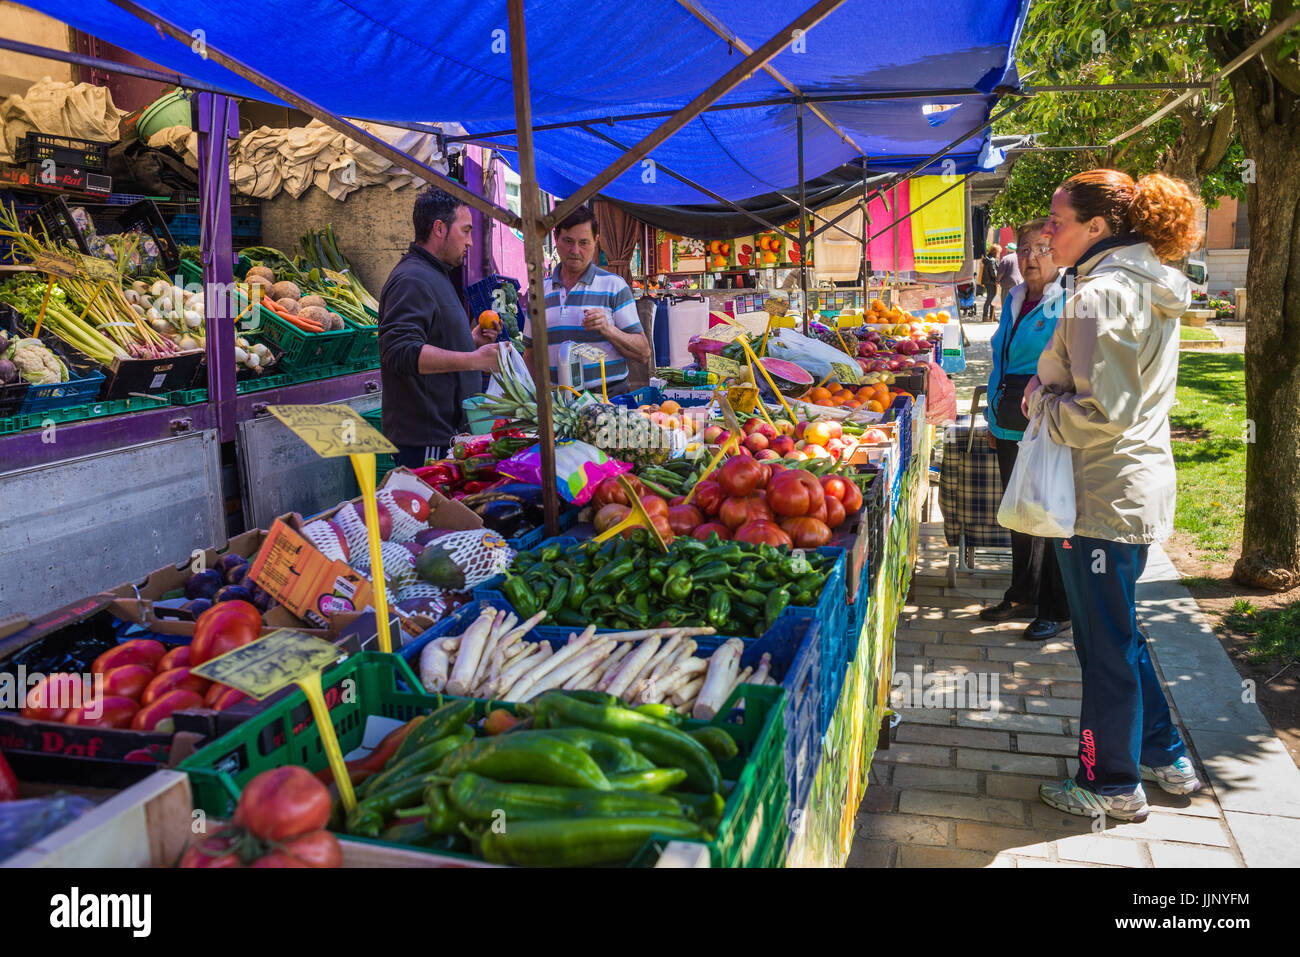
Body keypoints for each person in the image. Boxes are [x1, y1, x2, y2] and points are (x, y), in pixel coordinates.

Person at [1026, 169, 1203, 822]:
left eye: (1057, 220)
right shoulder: (1139, 282)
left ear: (1096, 228)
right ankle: (1163, 752)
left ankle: (1109, 783)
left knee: (1102, 646)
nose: (1048, 232)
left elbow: (1103, 409)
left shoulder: (1101, 295)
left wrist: (1041, 401)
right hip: (1129, 485)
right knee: (1119, 636)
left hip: (1101, 492)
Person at [980, 219, 1071, 640]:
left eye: (1040, 248)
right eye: (1023, 248)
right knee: (1019, 512)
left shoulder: (1068, 300)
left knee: (1048, 512)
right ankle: (1022, 593)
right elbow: (1001, 359)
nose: (1029, 256)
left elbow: (1070, 365)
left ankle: (1057, 606)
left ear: (1058, 252)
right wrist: (992, 417)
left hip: (1046, 424)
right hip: (1008, 421)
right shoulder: (1014, 296)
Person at [378, 188, 501, 469]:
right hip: (426, 442)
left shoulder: (436, 274)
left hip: (446, 436)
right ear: (439, 228)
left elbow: (430, 339)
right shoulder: (411, 279)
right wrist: (473, 360)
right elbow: (399, 352)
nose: (470, 241)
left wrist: (470, 341)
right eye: (465, 230)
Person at [522, 205, 650, 396]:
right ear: (556, 239)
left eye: (583, 242)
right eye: (568, 241)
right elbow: (530, 355)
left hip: (608, 400)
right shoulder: (539, 291)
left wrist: (608, 329)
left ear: (596, 241)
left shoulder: (614, 286)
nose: (575, 250)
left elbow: (643, 352)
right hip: (558, 405)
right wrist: (531, 398)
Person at [979, 242, 1001, 321]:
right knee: (990, 299)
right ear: (995, 252)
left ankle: (991, 316)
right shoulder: (991, 260)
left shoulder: (989, 259)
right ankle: (987, 317)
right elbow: (993, 273)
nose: (999, 254)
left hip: (988, 282)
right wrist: (998, 278)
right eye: (998, 252)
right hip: (991, 282)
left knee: (990, 299)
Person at [996, 242, 1022, 308]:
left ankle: (1006, 318)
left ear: (1009, 249)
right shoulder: (1020, 258)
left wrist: (997, 281)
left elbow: (1000, 272)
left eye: (1007, 248)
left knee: (1006, 305)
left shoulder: (1006, 258)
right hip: (1018, 284)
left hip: (1007, 285)